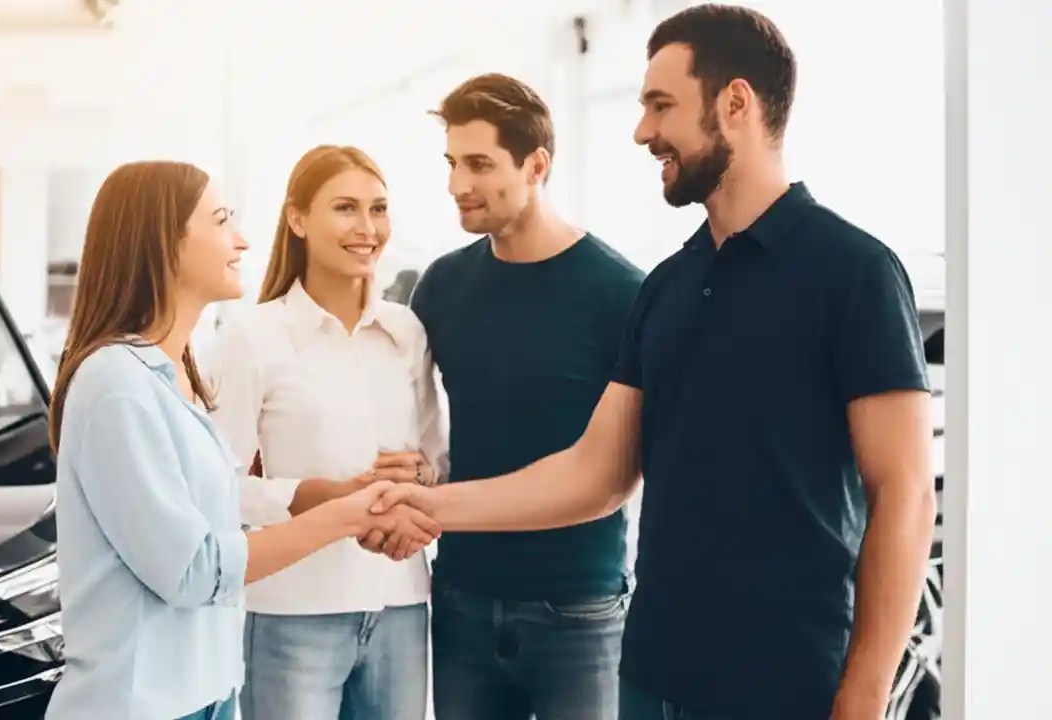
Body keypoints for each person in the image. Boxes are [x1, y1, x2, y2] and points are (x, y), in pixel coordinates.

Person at [372, 5, 937, 719]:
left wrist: (863, 695)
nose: (642, 132)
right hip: (651, 678)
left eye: (660, 105)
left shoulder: (854, 273)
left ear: (735, 103)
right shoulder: (666, 288)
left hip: (788, 684)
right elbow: (596, 473)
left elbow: (908, 494)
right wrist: (429, 505)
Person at [43, 160, 436, 720]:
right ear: (164, 239)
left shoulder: (169, 374)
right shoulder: (115, 385)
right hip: (139, 704)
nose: (243, 240)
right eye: (222, 220)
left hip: (205, 694)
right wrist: (345, 511)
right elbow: (193, 570)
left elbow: (218, 521)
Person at [387, 73, 646, 719]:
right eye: (451, 162)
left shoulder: (621, 294)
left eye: (478, 164)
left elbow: (616, 473)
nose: (456, 184)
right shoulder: (441, 287)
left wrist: (433, 501)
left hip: (580, 609)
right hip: (462, 599)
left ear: (537, 165)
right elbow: (434, 439)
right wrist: (418, 473)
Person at [204, 145, 446, 720]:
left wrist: (421, 476)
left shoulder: (408, 332)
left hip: (402, 606)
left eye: (378, 209)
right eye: (345, 208)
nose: (367, 228)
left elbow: (439, 464)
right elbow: (214, 488)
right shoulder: (252, 339)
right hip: (293, 613)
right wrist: (308, 496)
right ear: (297, 219)